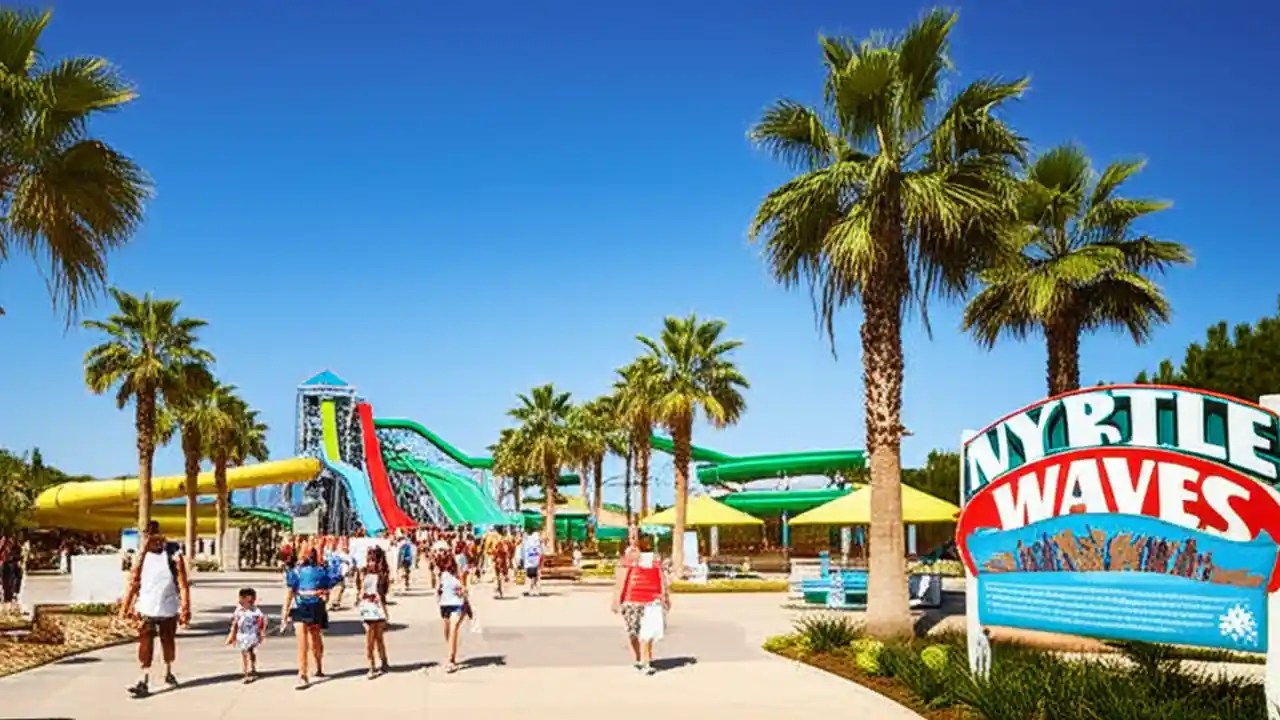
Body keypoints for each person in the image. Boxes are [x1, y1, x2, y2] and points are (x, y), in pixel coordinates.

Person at [119, 521, 192, 698]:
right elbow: (133, 583)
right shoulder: (140, 557)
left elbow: (183, 584)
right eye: (148, 535)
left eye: (154, 535)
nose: (152, 539)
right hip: (146, 608)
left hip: (168, 608)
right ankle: (143, 679)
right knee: (145, 644)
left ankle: (167, 671)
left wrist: (185, 607)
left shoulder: (173, 555)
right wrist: (125, 606)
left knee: (167, 642)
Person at [611, 541, 670, 675]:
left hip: (650, 599)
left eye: (635, 548)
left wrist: (665, 596)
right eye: (630, 549)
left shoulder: (651, 561)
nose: (633, 551)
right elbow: (619, 583)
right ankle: (639, 658)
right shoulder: (624, 564)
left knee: (647, 632)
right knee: (633, 633)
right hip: (630, 600)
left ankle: (646, 661)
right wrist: (616, 601)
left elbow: (661, 577)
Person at [282, 546, 333, 689]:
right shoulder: (317, 572)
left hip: (308, 606)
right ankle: (305, 672)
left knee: (311, 640)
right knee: (306, 641)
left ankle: (313, 668)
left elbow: (290, 593)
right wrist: (285, 613)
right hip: (308, 607)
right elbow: (290, 593)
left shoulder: (301, 572)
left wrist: (284, 613)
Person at [357, 546, 392, 678]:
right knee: (369, 639)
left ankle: (384, 660)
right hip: (366, 608)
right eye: (369, 560)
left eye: (374, 560)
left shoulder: (381, 576)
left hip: (377, 608)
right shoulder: (363, 573)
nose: (371, 563)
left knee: (379, 638)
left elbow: (382, 595)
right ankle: (371, 665)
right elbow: (360, 590)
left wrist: (386, 613)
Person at [435, 552, 468, 673]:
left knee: (453, 629)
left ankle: (450, 660)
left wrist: (465, 598)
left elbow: (464, 587)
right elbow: (438, 588)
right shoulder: (440, 573)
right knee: (447, 632)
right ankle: (451, 652)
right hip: (445, 604)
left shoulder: (459, 573)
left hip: (458, 604)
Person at [225, 587, 266, 683]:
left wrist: (261, 632)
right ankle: (247, 670)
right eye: (245, 601)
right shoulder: (239, 611)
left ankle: (250, 668)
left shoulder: (256, 611)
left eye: (251, 601)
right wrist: (232, 636)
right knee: (245, 653)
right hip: (242, 636)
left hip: (252, 635)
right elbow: (235, 623)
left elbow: (261, 621)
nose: (249, 604)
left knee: (249, 652)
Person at [520, 530, 543, 597]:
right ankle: (534, 590)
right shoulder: (538, 544)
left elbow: (523, 552)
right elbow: (541, 553)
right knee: (535, 577)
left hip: (528, 563)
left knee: (530, 577)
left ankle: (530, 590)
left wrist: (521, 560)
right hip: (536, 563)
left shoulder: (526, 542)